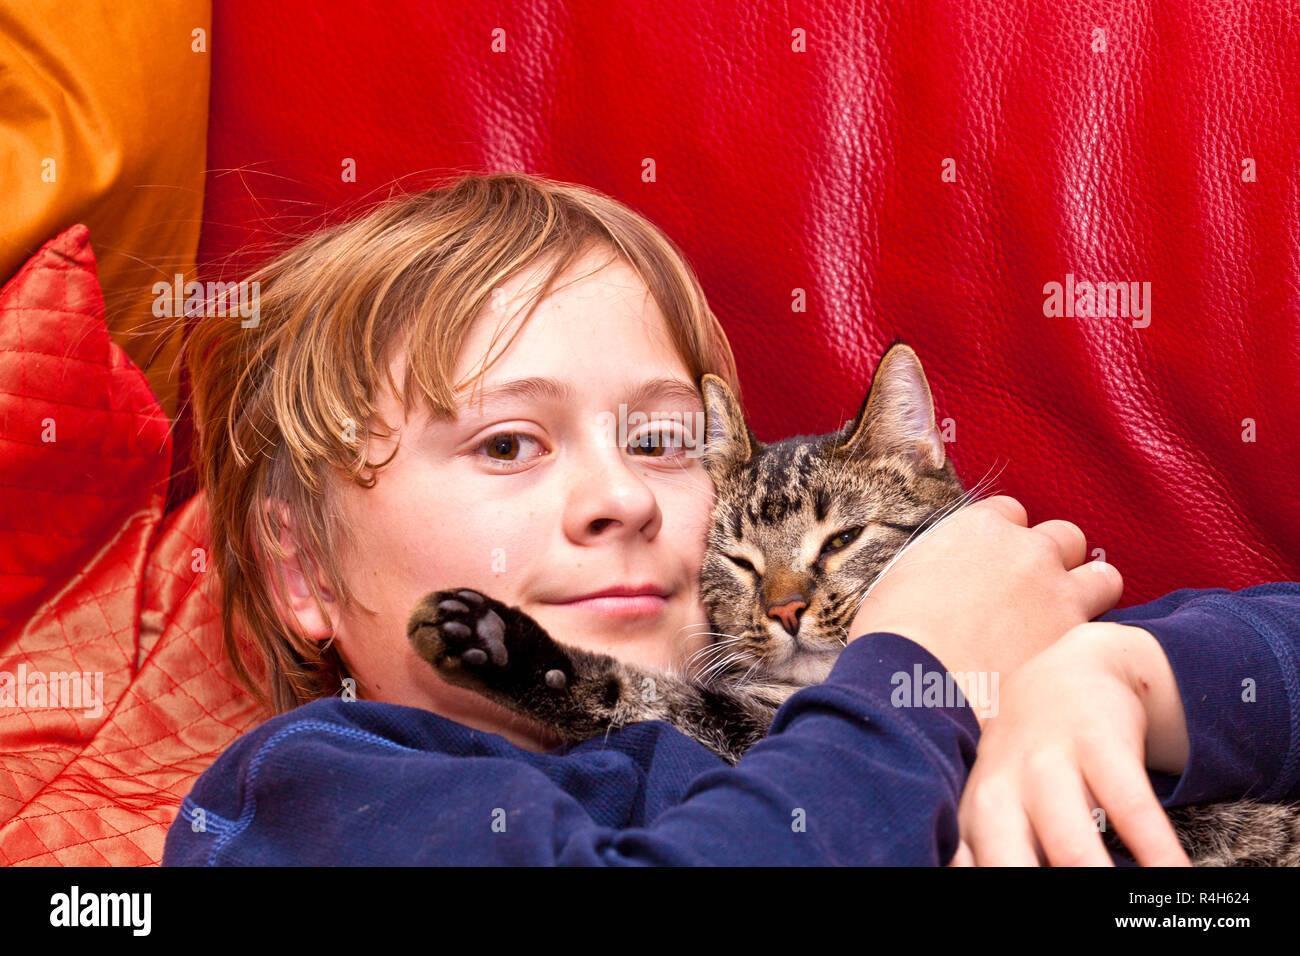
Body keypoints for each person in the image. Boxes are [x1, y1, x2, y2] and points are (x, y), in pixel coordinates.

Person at [163, 172, 1300, 865]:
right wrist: (916, 684)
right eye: (507, 442)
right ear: (300, 567)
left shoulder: (828, 696)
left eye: (662, 441)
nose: (620, 495)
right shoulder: (317, 788)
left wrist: (1131, 678)